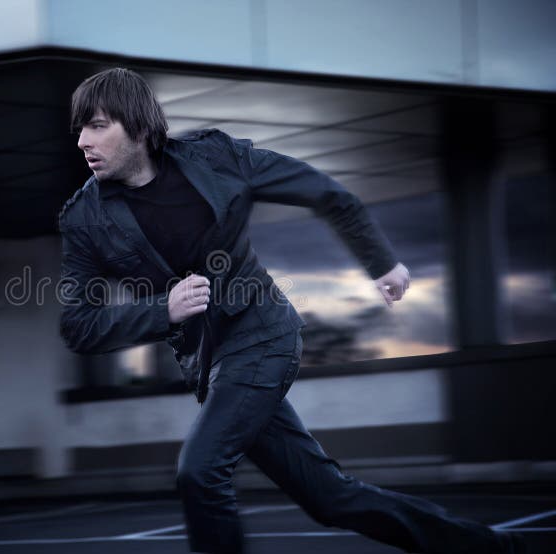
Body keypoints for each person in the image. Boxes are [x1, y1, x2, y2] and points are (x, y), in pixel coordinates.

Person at [57, 67, 525, 554]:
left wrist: (381, 262)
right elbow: (78, 326)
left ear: (137, 124)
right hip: (212, 364)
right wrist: (163, 311)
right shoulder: (85, 219)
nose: (83, 142)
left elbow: (323, 191)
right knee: (330, 499)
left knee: (199, 471)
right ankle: (490, 547)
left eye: (98, 125)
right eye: (81, 130)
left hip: (263, 333)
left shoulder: (217, 158)